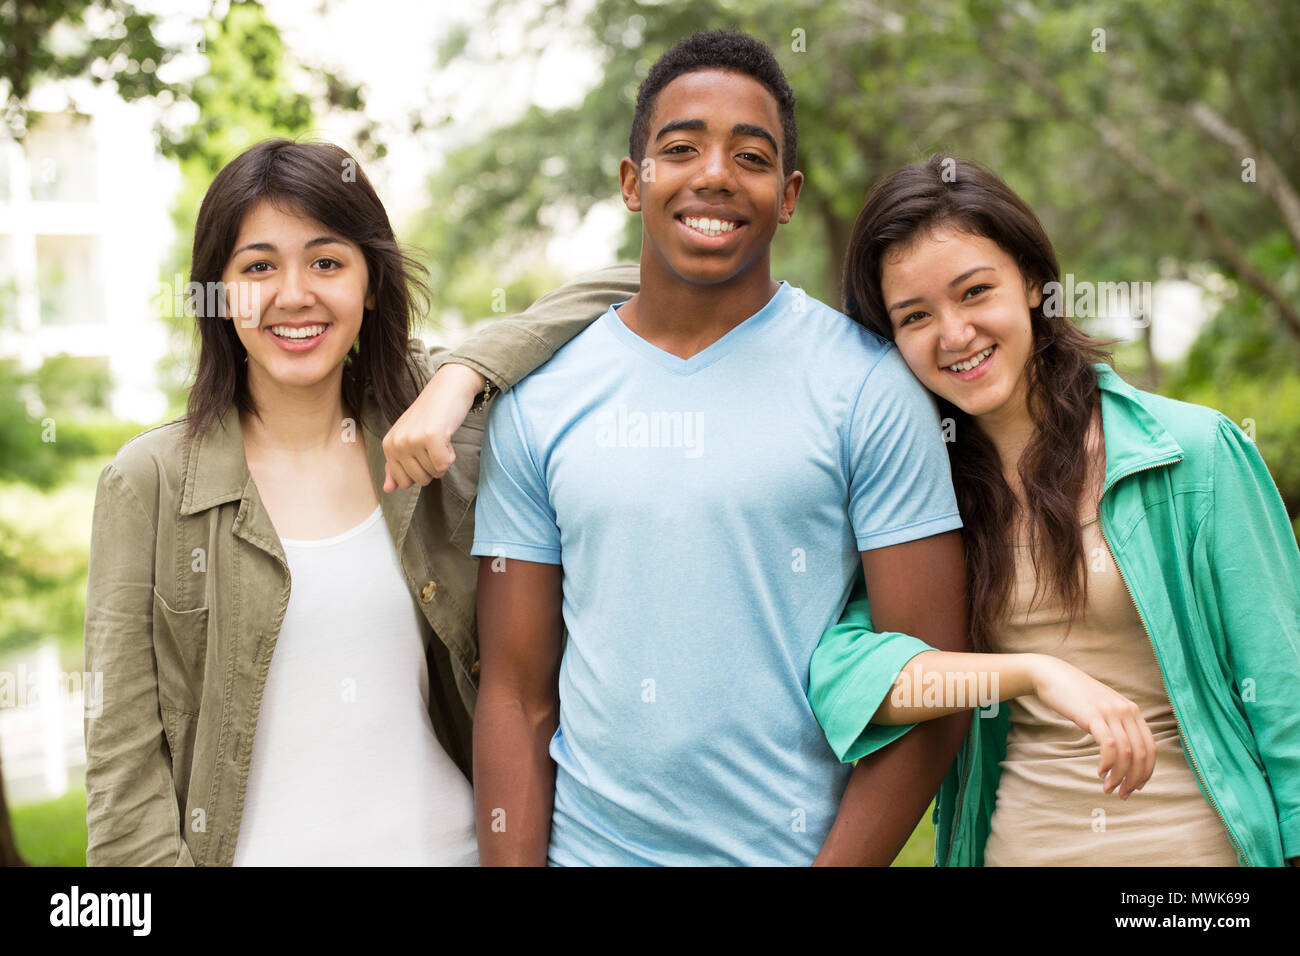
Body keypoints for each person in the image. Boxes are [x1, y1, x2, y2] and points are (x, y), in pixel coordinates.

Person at [470, 30, 972, 866]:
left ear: (788, 194)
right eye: (681, 147)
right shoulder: (542, 402)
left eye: (750, 155)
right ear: (635, 181)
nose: (714, 174)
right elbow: (515, 698)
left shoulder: (869, 387)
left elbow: (933, 686)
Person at [82, 139, 638, 865]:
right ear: (217, 295)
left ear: (371, 283)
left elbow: (631, 281)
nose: (294, 295)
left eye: (326, 262)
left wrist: (461, 375)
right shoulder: (149, 482)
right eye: (257, 268)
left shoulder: (437, 434)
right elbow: (122, 782)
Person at [813, 154, 1300, 866]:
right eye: (915, 316)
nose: (954, 334)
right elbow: (848, 679)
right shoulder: (919, 500)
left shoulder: (1193, 455)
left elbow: (1285, 700)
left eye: (975, 292)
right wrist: (1036, 673)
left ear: (1035, 284)